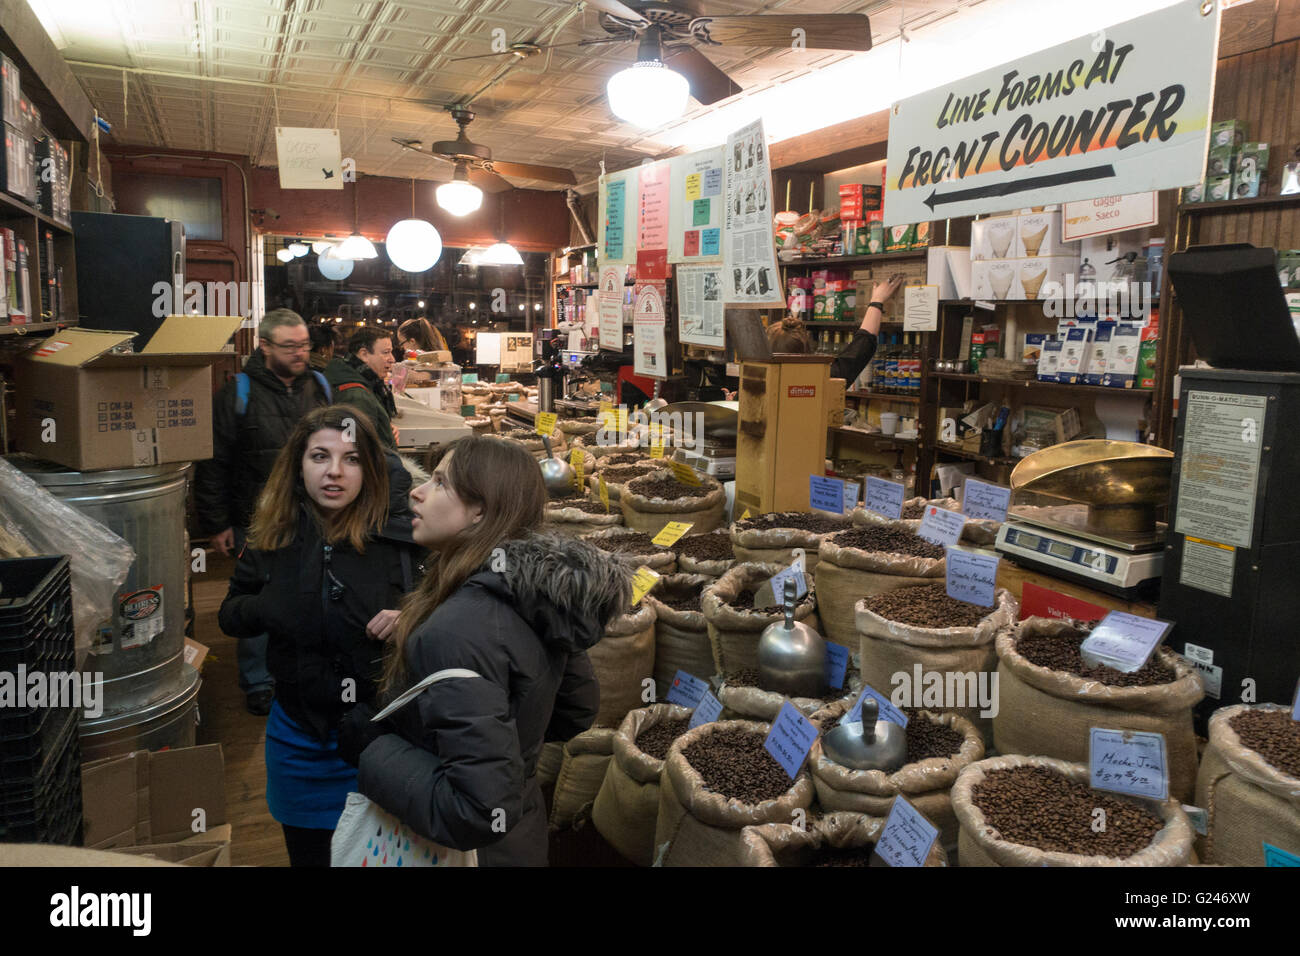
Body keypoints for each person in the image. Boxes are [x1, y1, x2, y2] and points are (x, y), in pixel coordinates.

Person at [338, 435, 630, 866]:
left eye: (439, 482)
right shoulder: (533, 595)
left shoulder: (456, 631)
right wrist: (508, 750)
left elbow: (477, 811)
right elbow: (575, 711)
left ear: (480, 510)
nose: (416, 491)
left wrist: (373, 749)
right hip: (523, 834)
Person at [218, 406, 423, 868]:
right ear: (298, 464)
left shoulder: (404, 534)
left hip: (383, 741)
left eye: (351, 459)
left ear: (369, 467)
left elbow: (450, 607)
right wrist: (271, 607)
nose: (334, 471)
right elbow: (231, 615)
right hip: (299, 741)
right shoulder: (275, 533)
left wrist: (412, 613)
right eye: (319, 456)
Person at [195, 308, 331, 716]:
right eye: (290, 346)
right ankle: (257, 681)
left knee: (311, 588)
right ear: (265, 346)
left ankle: (305, 668)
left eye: (304, 344)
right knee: (257, 594)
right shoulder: (237, 391)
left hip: (315, 514)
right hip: (255, 517)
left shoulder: (320, 386)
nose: (300, 353)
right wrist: (216, 524)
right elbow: (214, 461)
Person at [768, 274, 905, 383]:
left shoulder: (756, 379)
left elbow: (863, 343)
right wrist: (877, 301)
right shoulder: (823, 377)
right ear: (807, 351)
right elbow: (863, 344)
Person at [325, 327, 400, 449]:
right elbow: (352, 448)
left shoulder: (365, 383)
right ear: (364, 354)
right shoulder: (355, 396)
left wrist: (385, 429)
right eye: (386, 352)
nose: (392, 359)